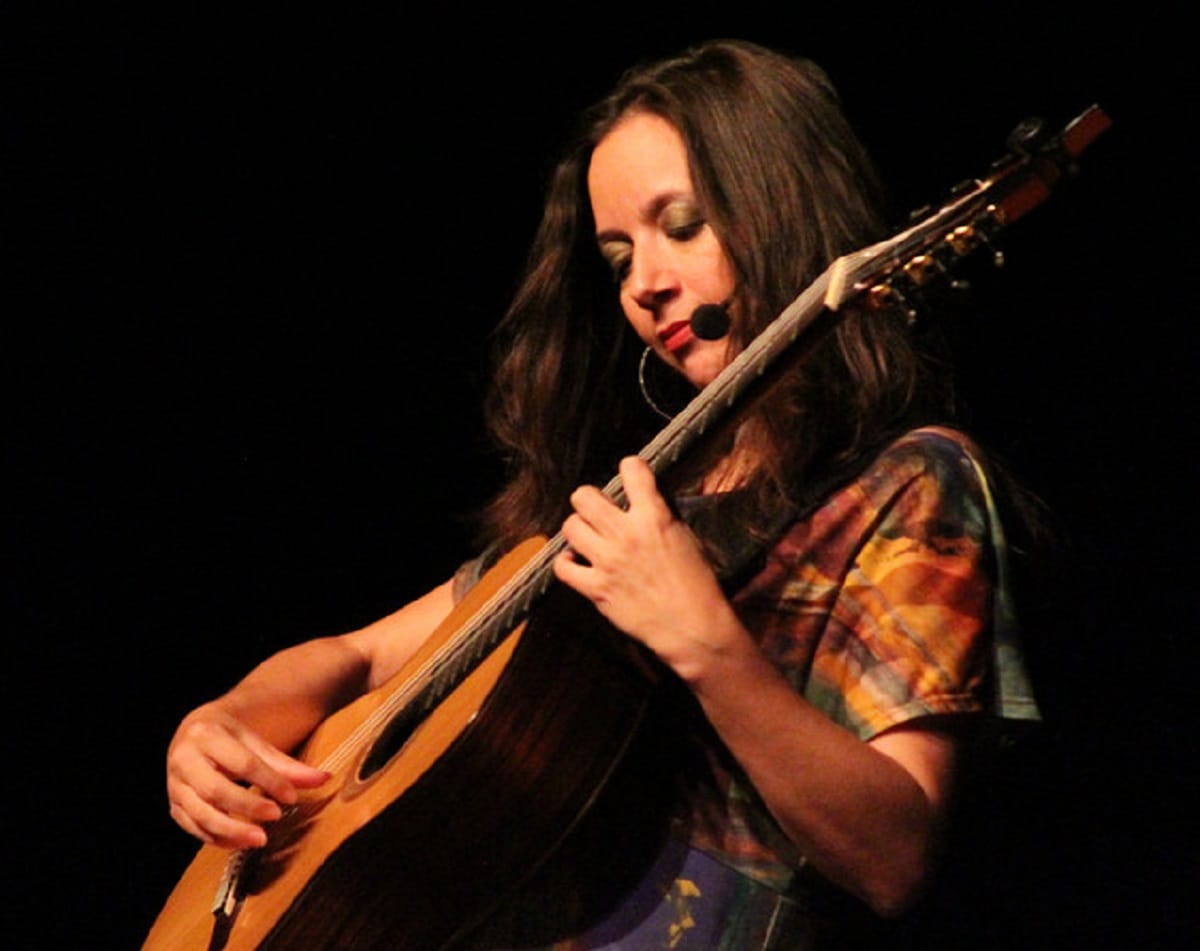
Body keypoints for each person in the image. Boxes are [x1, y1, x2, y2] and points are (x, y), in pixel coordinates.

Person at [163, 38, 1040, 948]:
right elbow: (354, 656)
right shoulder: (633, 501)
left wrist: (704, 640)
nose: (647, 284)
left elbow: (893, 856)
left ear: (780, 207)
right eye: (619, 258)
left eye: (684, 224)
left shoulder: (909, 482)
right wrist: (221, 724)